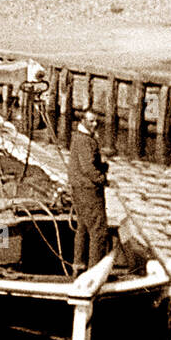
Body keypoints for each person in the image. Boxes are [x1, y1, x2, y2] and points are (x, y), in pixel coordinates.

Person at [68, 109, 110, 272]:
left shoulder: (79, 138)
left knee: (83, 227)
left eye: (96, 121)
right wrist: (103, 179)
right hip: (89, 190)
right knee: (99, 230)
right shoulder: (85, 140)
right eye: (91, 121)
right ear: (83, 121)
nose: (95, 124)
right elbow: (88, 168)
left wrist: (102, 165)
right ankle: (95, 270)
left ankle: (79, 265)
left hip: (79, 189)